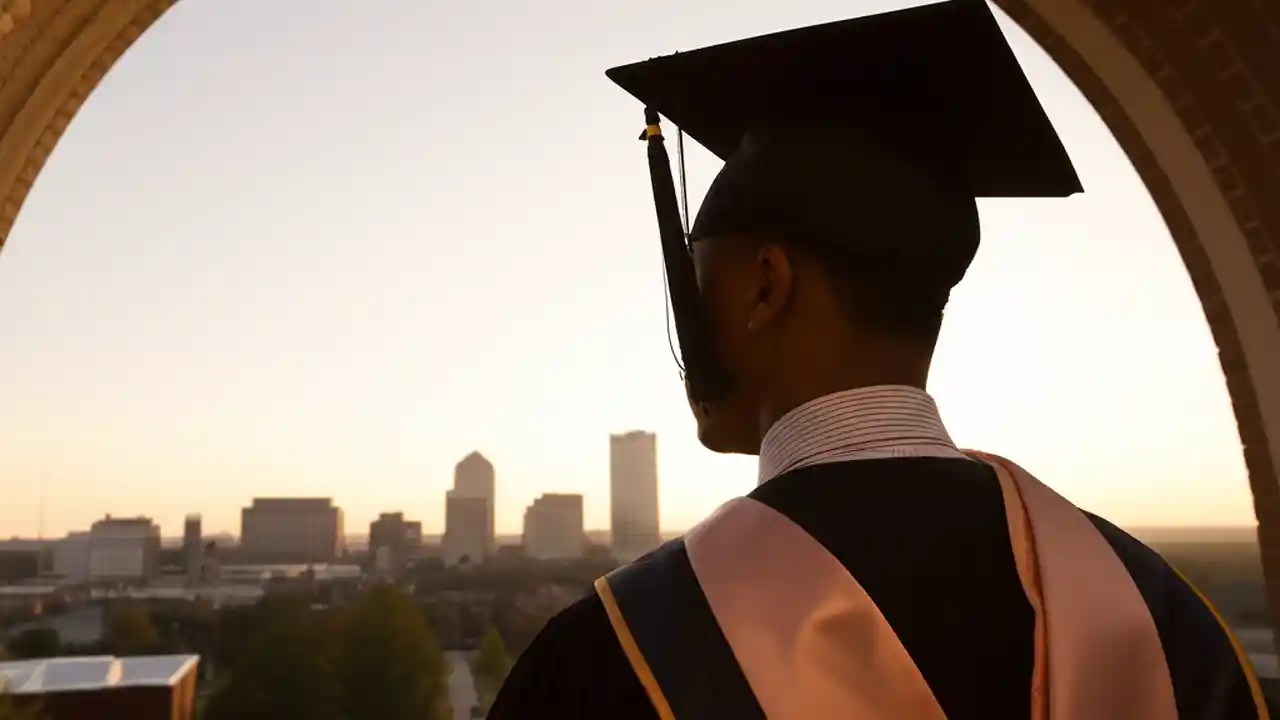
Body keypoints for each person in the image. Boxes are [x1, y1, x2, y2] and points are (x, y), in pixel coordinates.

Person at [488, 1, 1269, 718]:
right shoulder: (1161, 620)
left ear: (765, 287)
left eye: (699, 286)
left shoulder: (618, 656)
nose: (686, 324)